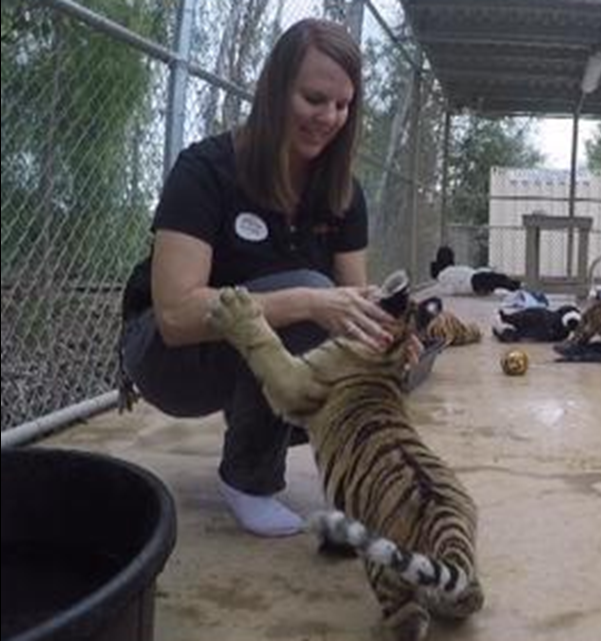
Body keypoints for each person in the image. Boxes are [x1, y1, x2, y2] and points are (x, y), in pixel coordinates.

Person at [119, 19, 414, 538]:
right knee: (313, 296)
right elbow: (176, 317)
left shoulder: (344, 193)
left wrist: (390, 331)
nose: (329, 117)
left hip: (248, 352)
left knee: (366, 343)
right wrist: (308, 303)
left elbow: (353, 302)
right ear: (275, 89)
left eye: (343, 105)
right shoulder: (206, 170)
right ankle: (249, 480)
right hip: (168, 359)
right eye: (314, 99)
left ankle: (360, 479)